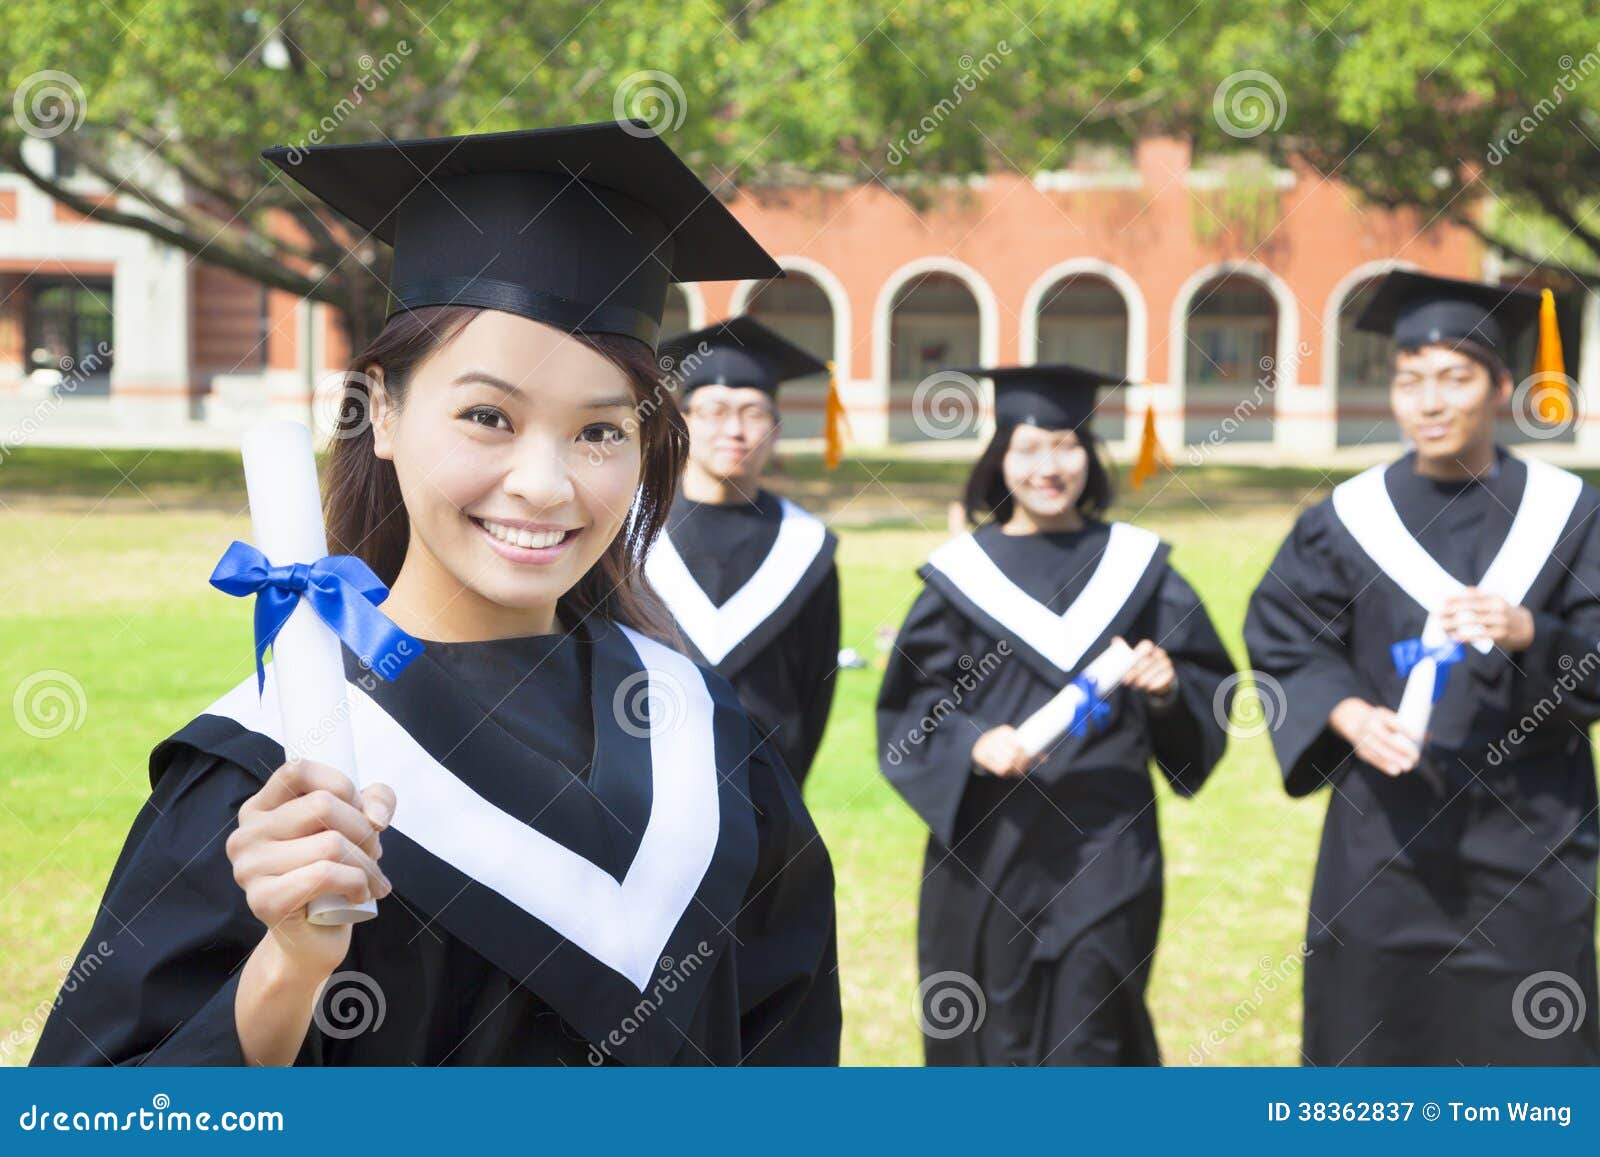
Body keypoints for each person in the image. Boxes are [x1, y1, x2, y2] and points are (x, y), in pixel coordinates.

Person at [29, 121, 841, 1067]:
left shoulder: (702, 736)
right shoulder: (267, 771)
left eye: (600, 431)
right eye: (487, 416)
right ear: (381, 411)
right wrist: (289, 966)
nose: (546, 483)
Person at [1244, 270, 1600, 1065]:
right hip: (1385, 834)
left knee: (1533, 1041)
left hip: (1529, 829)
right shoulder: (1344, 520)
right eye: (1409, 381)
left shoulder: (1567, 515)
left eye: (1454, 377)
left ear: (1501, 386)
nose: (1430, 402)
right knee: (1372, 1028)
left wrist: (1531, 632)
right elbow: (1286, 637)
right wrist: (1344, 711)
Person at [876, 363, 1236, 1065]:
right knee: (994, 1028)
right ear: (999, 458)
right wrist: (974, 743)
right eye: (1029, 448)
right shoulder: (961, 576)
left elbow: (1206, 688)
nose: (1050, 466)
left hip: (1105, 838)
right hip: (989, 845)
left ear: (1090, 456)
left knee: (1092, 1024)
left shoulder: (1138, 567)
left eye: (1067, 445)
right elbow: (910, 710)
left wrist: (1166, 689)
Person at [645, 316, 840, 789]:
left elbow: (815, 690)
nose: (734, 430)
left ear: (775, 430)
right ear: (680, 422)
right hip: (643, 780)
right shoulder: (629, 533)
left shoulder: (804, 545)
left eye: (753, 413)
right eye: (713, 411)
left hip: (764, 790)